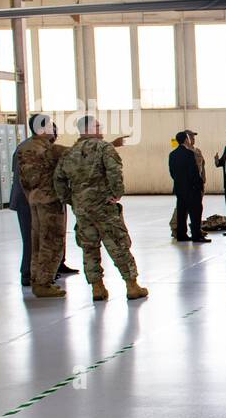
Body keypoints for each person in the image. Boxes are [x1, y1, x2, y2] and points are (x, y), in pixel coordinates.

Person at [53, 115, 147, 301]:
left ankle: (97, 288)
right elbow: (114, 171)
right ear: (87, 129)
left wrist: (72, 200)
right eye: (97, 125)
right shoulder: (104, 148)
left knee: (89, 248)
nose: (101, 128)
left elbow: (59, 180)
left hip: (82, 210)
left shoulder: (69, 153)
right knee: (118, 245)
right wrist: (117, 193)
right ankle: (131, 285)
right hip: (103, 207)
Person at [17, 115, 72, 298]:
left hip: (33, 201)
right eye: (50, 126)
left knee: (37, 243)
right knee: (52, 242)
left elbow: (22, 179)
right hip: (50, 202)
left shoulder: (24, 148)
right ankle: (44, 283)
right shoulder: (49, 150)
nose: (53, 129)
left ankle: (36, 279)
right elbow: (80, 153)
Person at [169, 130, 209, 243]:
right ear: (186, 139)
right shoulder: (189, 153)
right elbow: (194, 172)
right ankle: (196, 234)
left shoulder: (173, 154)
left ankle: (182, 234)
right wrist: (198, 184)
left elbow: (172, 172)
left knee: (182, 211)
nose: (193, 138)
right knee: (194, 211)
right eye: (190, 136)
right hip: (192, 187)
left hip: (180, 187)